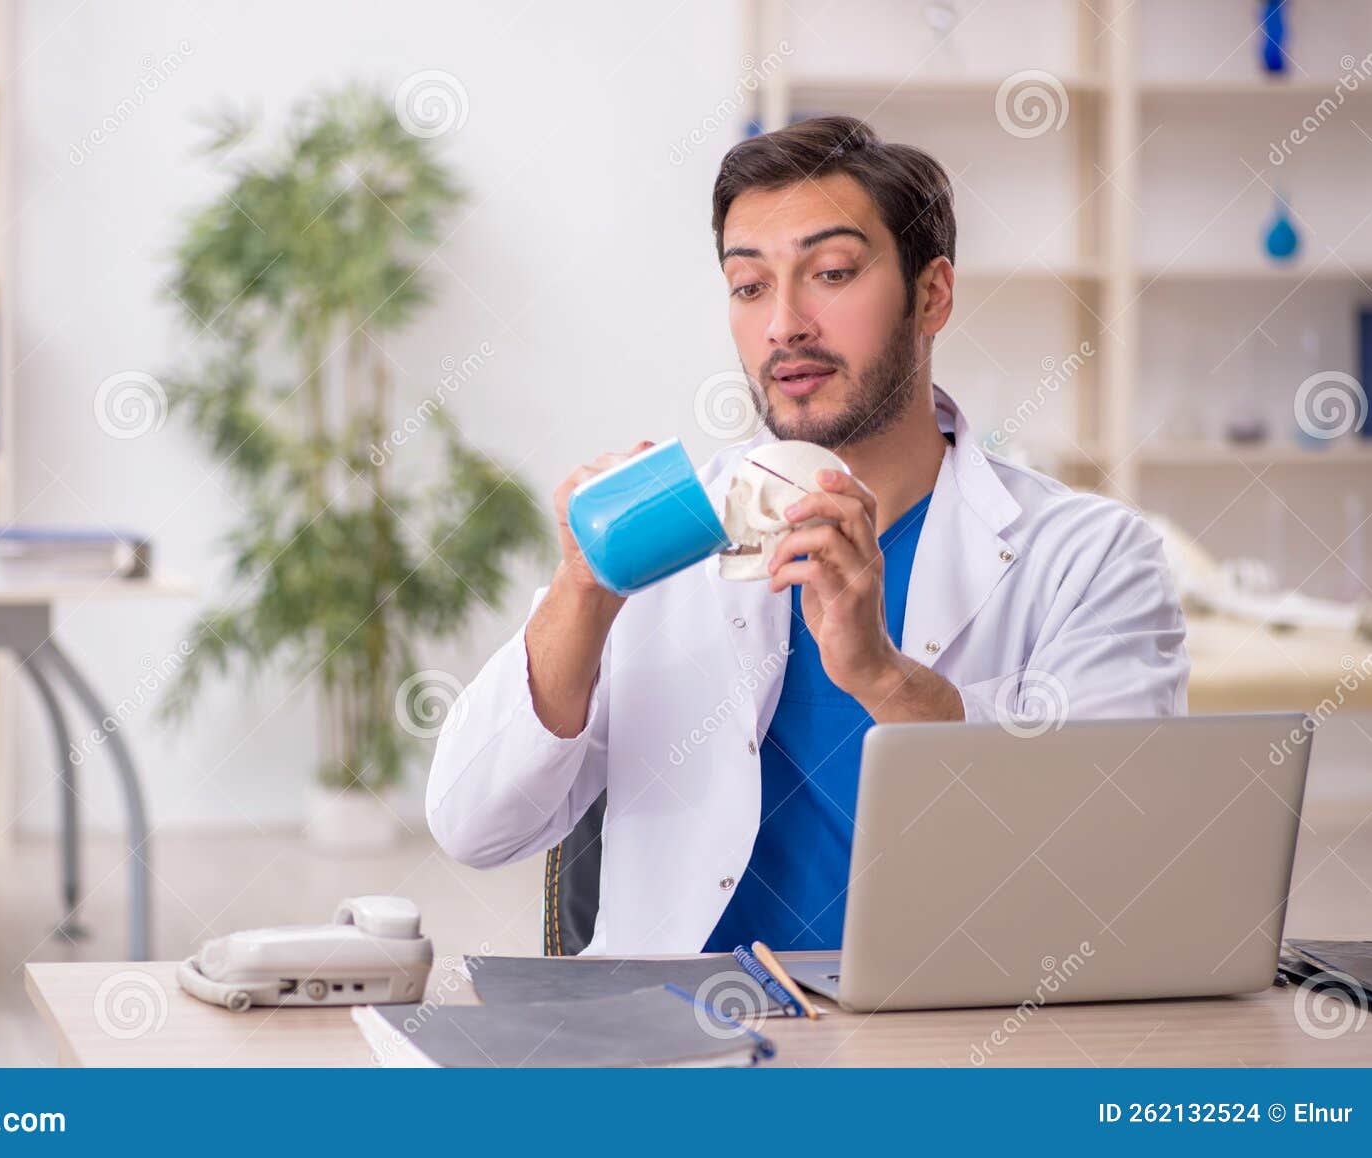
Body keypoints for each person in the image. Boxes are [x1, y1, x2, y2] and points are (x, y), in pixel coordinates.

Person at [426, 115, 1189, 954]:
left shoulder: (1089, 556)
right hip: (673, 1023)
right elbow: (474, 828)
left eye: (830, 273)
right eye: (749, 285)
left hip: (947, 1023)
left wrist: (883, 678)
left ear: (932, 295)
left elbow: (1109, 859)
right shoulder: (669, 534)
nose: (784, 324)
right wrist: (581, 593)